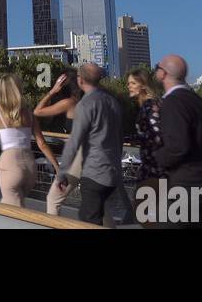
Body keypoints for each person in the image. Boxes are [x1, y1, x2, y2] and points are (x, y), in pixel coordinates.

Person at [152, 54, 202, 228]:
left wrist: (156, 158)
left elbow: (178, 146)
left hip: (189, 188)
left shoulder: (173, 103)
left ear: (163, 74)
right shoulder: (199, 102)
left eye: (157, 67)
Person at [52, 63, 124, 225]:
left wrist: (62, 174)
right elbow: (119, 137)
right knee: (101, 214)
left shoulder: (85, 105)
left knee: (88, 221)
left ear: (81, 80)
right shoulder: (113, 102)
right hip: (112, 172)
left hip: (94, 173)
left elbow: (74, 142)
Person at [0, 74, 60, 208]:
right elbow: (42, 144)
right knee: (18, 207)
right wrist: (57, 168)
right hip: (30, 167)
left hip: (10, 165)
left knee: (12, 214)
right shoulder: (29, 114)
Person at [34, 69, 84, 215]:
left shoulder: (69, 103)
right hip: (90, 155)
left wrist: (52, 91)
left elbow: (37, 111)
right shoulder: (83, 101)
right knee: (99, 204)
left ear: (63, 84)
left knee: (53, 199)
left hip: (78, 157)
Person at [128, 68, 165, 226]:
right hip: (153, 167)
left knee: (141, 210)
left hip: (154, 168)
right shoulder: (149, 104)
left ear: (143, 85)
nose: (129, 86)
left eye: (133, 83)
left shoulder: (150, 105)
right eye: (128, 83)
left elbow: (158, 133)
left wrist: (141, 138)